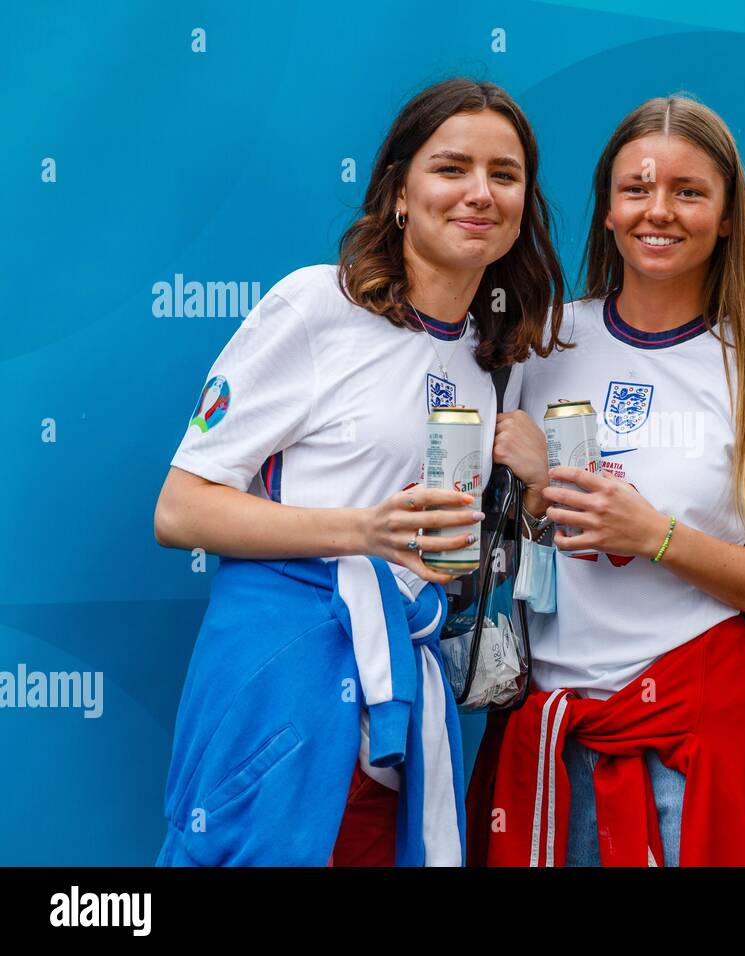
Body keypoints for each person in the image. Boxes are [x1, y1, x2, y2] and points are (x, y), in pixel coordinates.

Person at [152, 78, 565, 866]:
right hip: (283, 676)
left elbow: (448, 557)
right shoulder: (315, 305)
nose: (480, 193)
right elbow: (179, 508)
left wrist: (531, 507)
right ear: (399, 193)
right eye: (452, 168)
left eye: (504, 175)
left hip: (397, 699)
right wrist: (363, 531)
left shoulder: (488, 356)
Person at [466, 95, 745, 867]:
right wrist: (536, 498)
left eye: (688, 192)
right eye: (636, 189)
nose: (658, 211)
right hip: (550, 737)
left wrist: (657, 537)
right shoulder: (544, 345)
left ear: (731, 218)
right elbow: (519, 554)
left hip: (689, 743)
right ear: (606, 209)